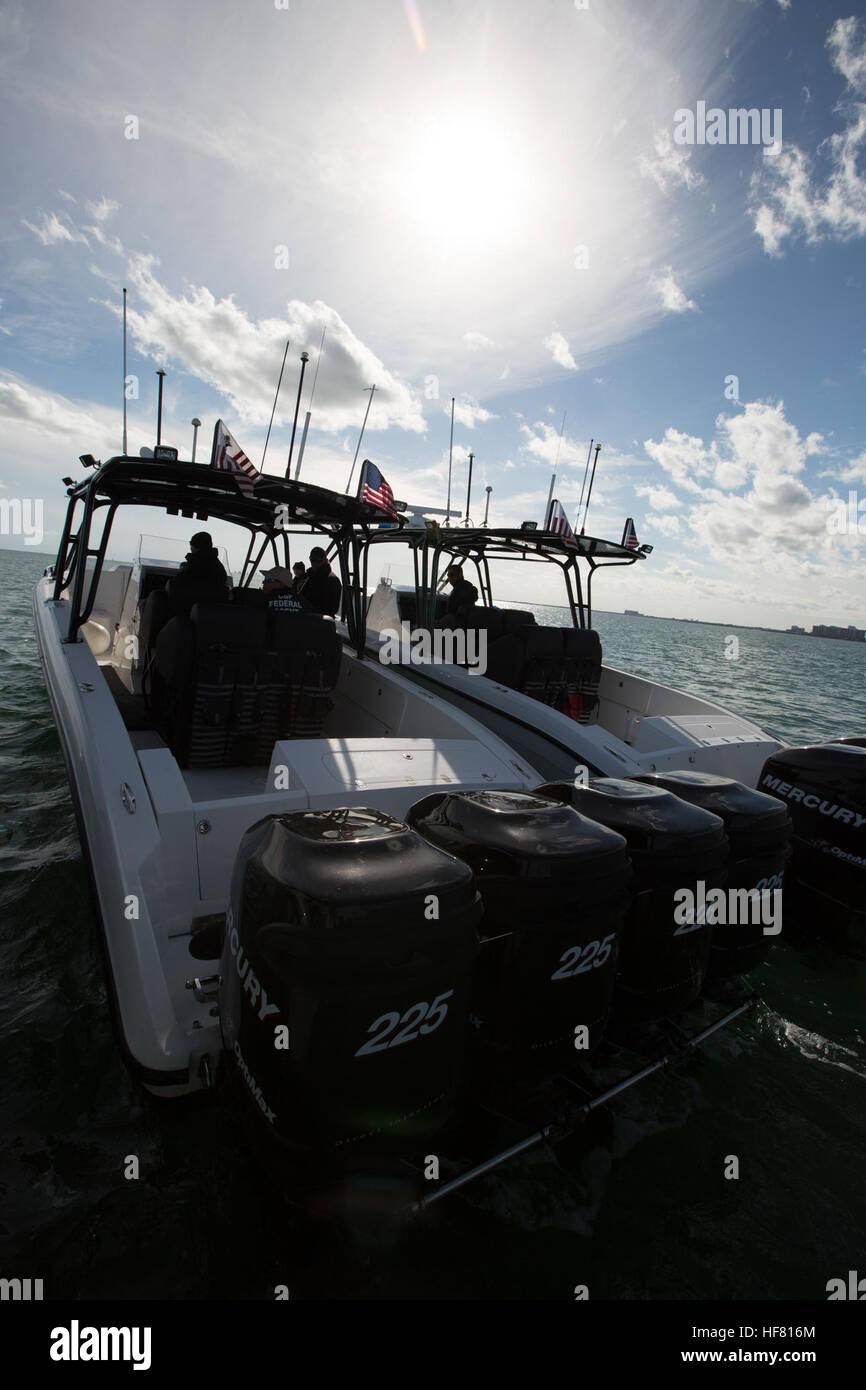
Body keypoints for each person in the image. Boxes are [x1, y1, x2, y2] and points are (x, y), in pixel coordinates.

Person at [166, 531, 228, 615]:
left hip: (185, 613)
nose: (190, 548)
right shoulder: (218, 566)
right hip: (210, 615)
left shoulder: (194, 564)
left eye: (191, 544)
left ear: (196, 546)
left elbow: (175, 585)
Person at [299, 546, 342, 617]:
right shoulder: (309, 577)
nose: (315, 562)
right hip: (306, 618)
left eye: (318, 559)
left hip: (320, 622)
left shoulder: (332, 580)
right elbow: (301, 598)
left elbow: (331, 609)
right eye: (312, 559)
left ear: (325, 560)